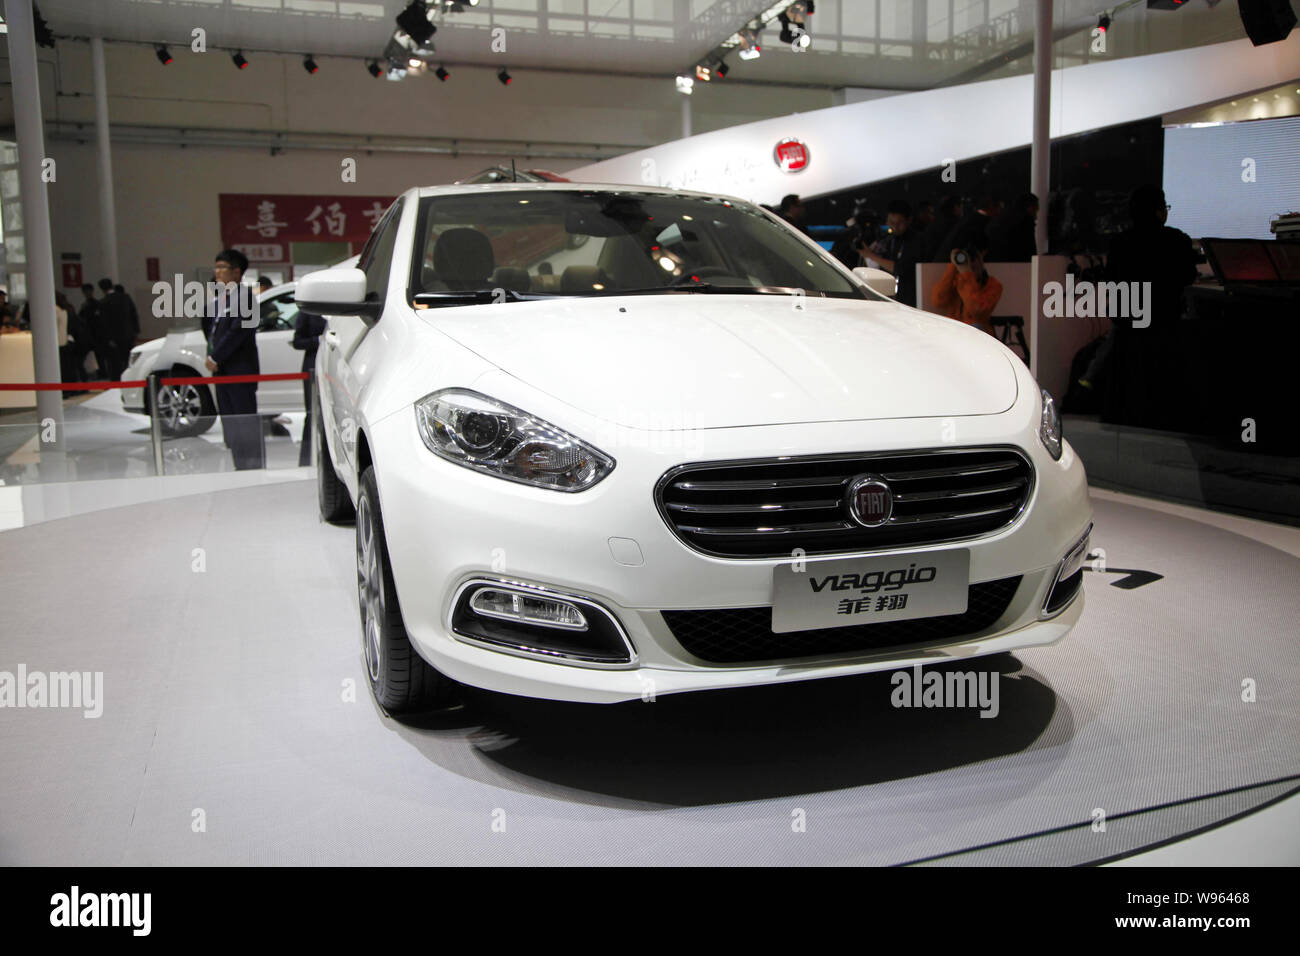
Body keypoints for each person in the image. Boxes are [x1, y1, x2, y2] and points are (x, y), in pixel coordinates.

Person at [1092, 185, 1198, 429]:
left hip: (1128, 326)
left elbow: (1113, 278)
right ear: (1160, 212)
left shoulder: (1120, 243)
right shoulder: (1177, 240)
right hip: (1164, 323)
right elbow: (1186, 277)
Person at [204, 249, 264, 470]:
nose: (217, 272)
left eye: (222, 268)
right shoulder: (221, 298)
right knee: (230, 424)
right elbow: (212, 328)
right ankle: (240, 467)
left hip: (239, 370)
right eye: (216, 267)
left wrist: (216, 356)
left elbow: (238, 332)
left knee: (245, 421)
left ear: (237, 272)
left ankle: (253, 467)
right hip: (223, 371)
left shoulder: (246, 297)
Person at [930, 230, 1003, 335]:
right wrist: (953, 267)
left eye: (973, 258)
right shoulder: (955, 279)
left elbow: (977, 311)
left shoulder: (993, 285)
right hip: (953, 331)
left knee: (976, 327)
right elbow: (938, 301)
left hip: (976, 334)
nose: (970, 262)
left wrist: (967, 275)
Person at [865, 200, 924, 307]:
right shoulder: (888, 239)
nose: (895, 227)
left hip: (910, 298)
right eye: (891, 223)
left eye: (900, 223)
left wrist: (870, 255)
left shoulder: (916, 240)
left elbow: (900, 268)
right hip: (890, 296)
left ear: (909, 220)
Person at [291, 308, 327, 466]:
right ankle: (306, 460)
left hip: (339, 365)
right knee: (312, 414)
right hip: (313, 367)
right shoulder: (308, 311)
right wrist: (318, 340)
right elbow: (297, 341)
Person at [986, 192, 1039, 262]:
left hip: (994, 262)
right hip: (1018, 265)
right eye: (1035, 210)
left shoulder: (1000, 218)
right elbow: (1030, 249)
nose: (1036, 216)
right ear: (1030, 207)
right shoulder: (1025, 221)